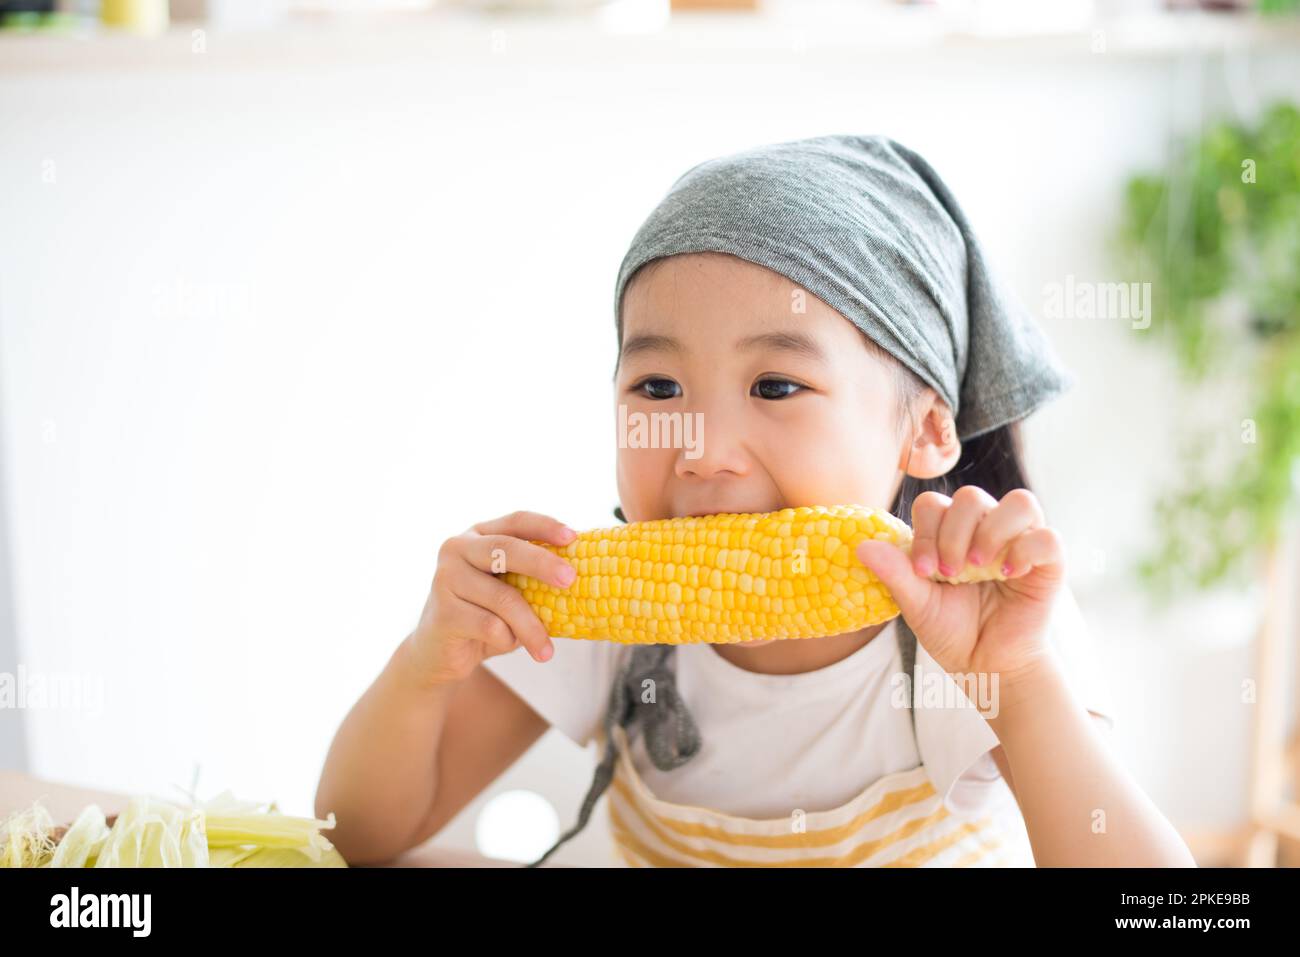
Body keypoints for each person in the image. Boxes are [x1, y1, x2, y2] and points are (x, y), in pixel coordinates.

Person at [315, 134, 1195, 868]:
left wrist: (1021, 685)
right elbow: (354, 837)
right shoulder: (592, 626)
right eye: (657, 388)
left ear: (926, 429)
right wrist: (424, 662)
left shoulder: (982, 629)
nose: (699, 450)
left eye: (775, 384)